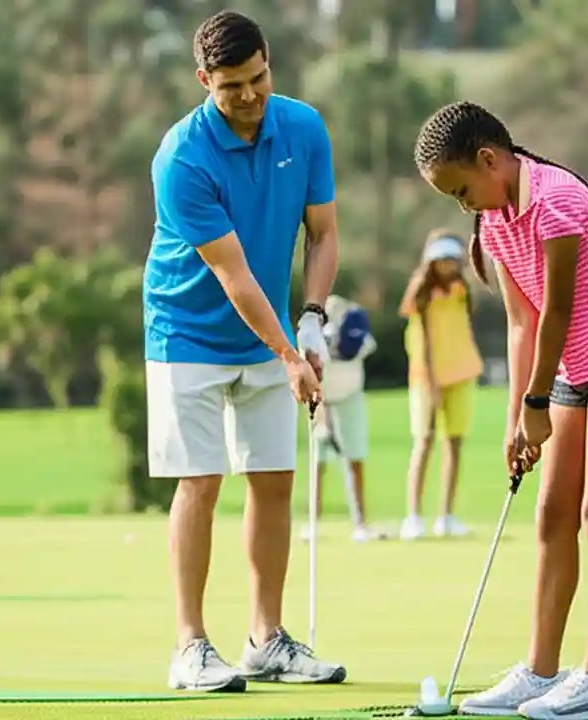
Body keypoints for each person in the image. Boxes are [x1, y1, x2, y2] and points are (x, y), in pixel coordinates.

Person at [413, 101, 588, 720]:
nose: (464, 205)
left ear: (488, 159)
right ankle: (540, 671)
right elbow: (521, 321)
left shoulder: (556, 200)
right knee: (553, 513)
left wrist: (537, 400)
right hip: (570, 371)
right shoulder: (496, 218)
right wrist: (516, 417)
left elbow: (556, 310)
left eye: (462, 189)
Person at [145, 10, 345, 693]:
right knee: (200, 482)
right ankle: (190, 646)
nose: (251, 95)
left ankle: (266, 640)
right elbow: (234, 276)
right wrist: (290, 353)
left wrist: (313, 320)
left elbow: (322, 236)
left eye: (259, 77)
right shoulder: (182, 157)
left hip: (275, 337)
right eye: (233, 86)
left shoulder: (304, 127)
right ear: (204, 80)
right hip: (188, 332)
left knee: (273, 478)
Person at [397, 230, 485, 540]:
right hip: (426, 379)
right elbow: (422, 343)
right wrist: (432, 382)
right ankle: (413, 516)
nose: (448, 265)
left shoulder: (462, 289)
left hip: (461, 373)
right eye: (442, 260)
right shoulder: (421, 295)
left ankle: (446, 515)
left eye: (452, 259)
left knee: (454, 443)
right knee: (424, 441)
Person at [306, 294, 385, 543]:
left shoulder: (357, 335)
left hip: (350, 399)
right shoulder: (315, 338)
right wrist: (321, 418)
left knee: (354, 459)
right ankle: (313, 522)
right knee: (318, 463)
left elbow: (364, 347)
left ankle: (360, 522)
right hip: (323, 402)